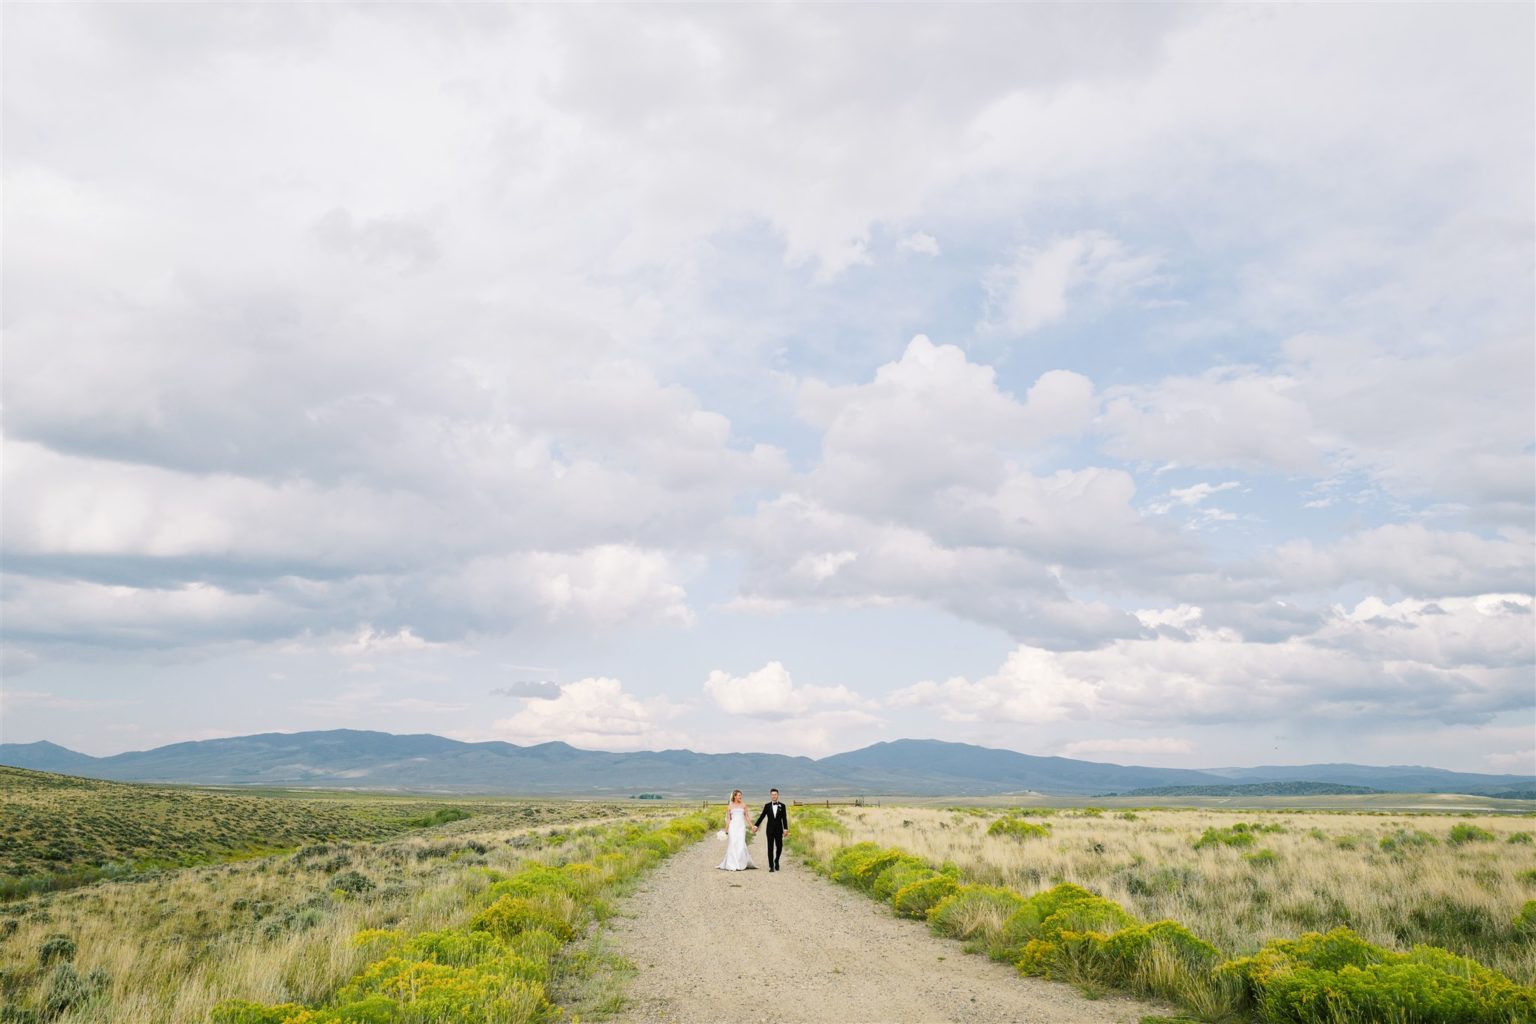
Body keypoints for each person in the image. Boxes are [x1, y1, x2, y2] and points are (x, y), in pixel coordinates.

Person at [751, 787, 789, 872]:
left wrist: (785, 829)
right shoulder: (767, 806)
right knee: (770, 847)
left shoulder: (782, 806)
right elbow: (762, 816)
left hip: (779, 829)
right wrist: (756, 826)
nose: (774, 796)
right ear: (770, 796)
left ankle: (776, 861)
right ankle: (771, 866)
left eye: (775, 794)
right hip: (770, 830)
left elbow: (784, 818)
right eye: (772, 795)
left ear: (778, 795)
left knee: (779, 846)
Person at [717, 789, 756, 871]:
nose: (740, 797)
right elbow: (728, 819)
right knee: (733, 844)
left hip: (741, 827)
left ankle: (741, 863)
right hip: (733, 827)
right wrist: (726, 830)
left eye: (741, 795)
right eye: (739, 795)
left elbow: (747, 817)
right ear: (734, 796)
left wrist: (752, 826)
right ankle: (732, 864)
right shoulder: (730, 807)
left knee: (741, 844)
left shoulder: (744, 805)